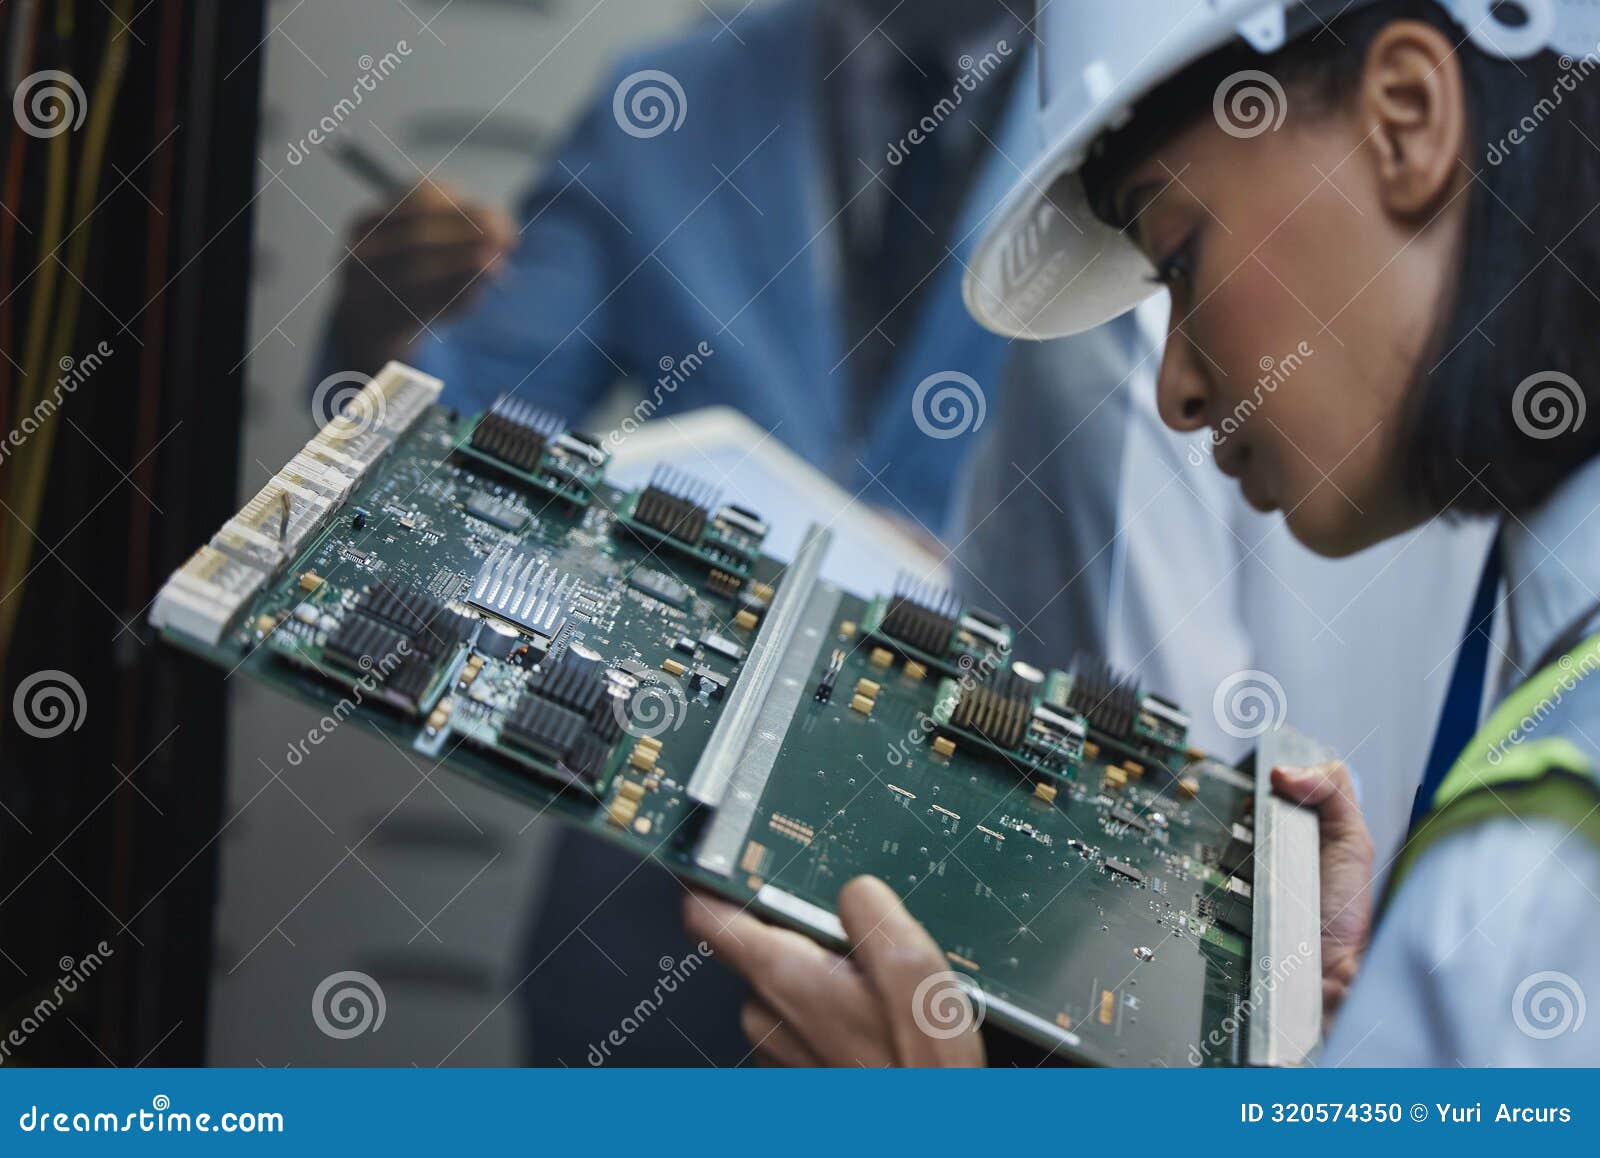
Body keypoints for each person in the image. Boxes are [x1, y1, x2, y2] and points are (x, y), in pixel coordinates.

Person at [685, 0, 1600, 1066]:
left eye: (1175, 256)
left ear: (1405, 119)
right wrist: (1354, 1036)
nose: (1176, 390)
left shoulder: (1545, 863)